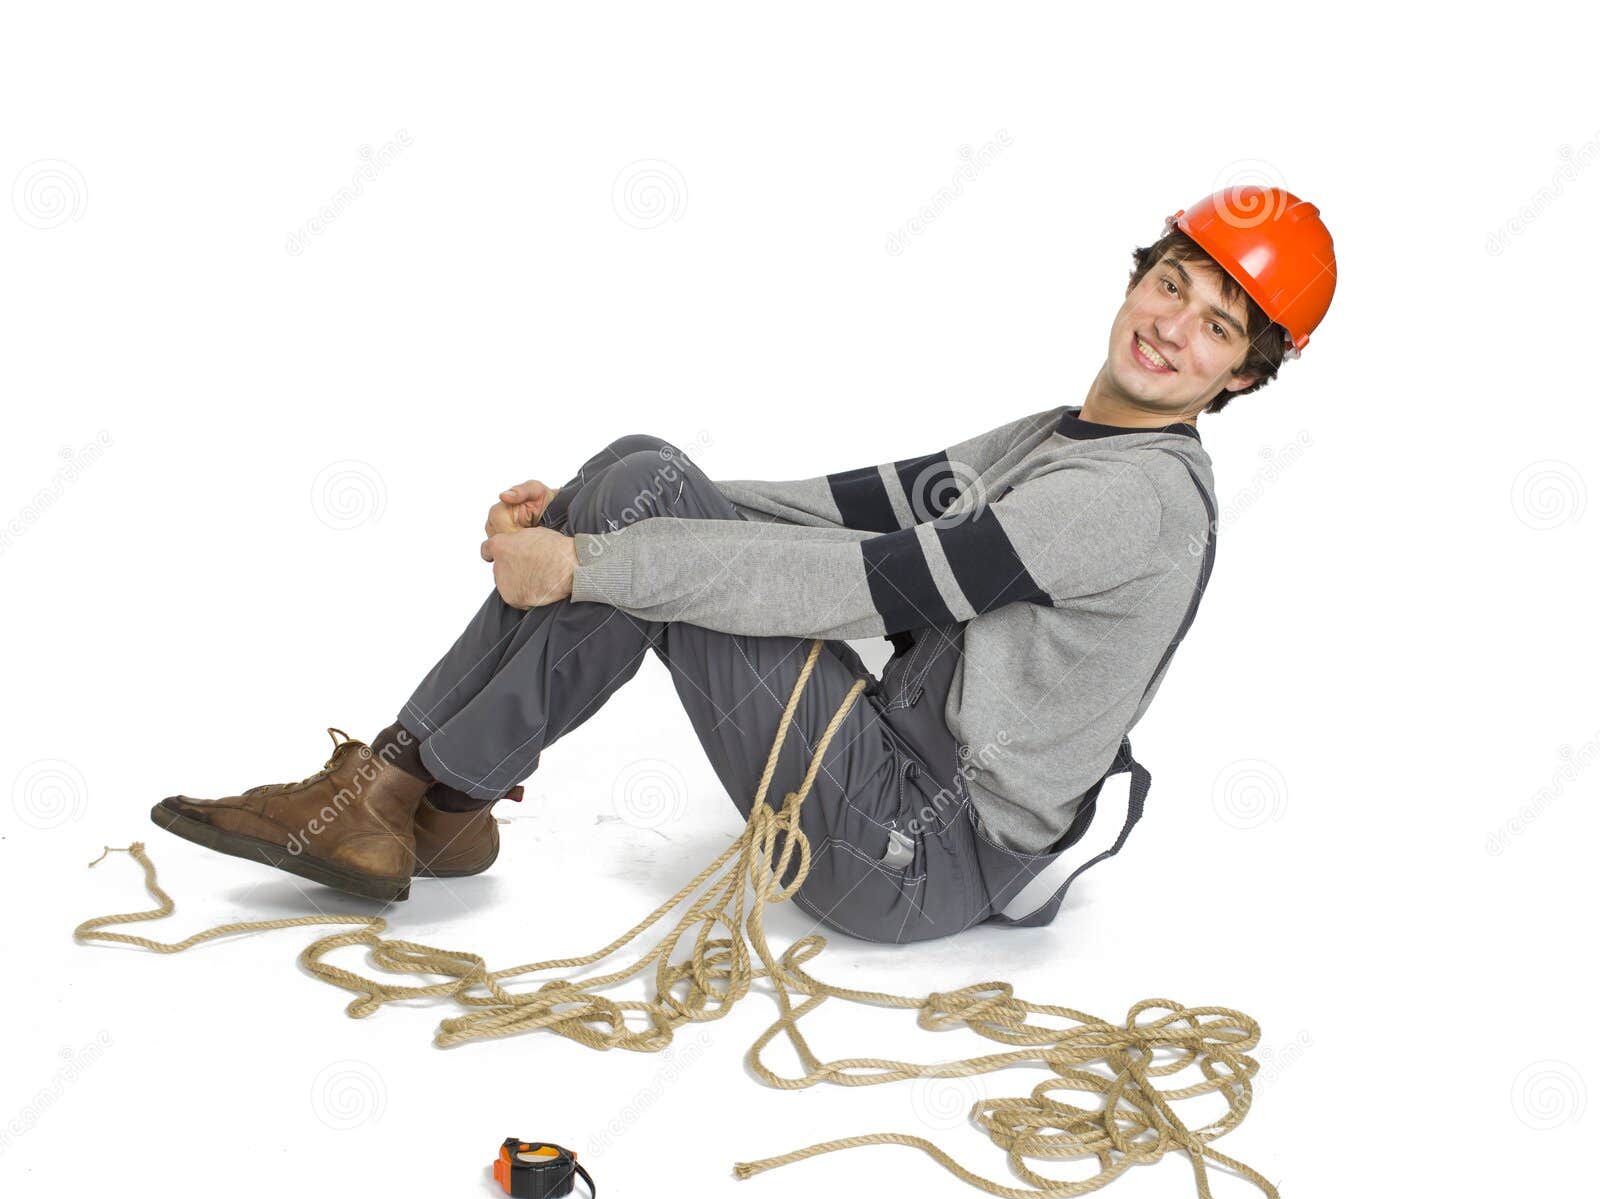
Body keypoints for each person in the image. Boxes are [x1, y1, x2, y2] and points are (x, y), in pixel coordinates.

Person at [152, 186, 1336, 944]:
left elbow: (865, 587)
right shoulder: (1062, 436)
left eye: (1216, 325)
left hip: (906, 851)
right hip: (886, 776)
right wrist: (586, 515)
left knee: (647, 539)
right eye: (1170, 283)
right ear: (1136, 277)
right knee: (644, 468)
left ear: (1242, 375)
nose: (1171, 325)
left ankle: (405, 795)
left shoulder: (1131, 497)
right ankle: (431, 802)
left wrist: (592, 563)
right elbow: (850, 511)